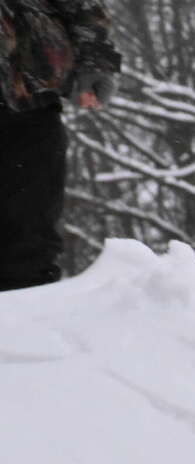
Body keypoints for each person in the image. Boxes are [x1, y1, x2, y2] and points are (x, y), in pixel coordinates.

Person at [0, 0, 121, 292]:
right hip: (28, 105)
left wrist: (95, 58)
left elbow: (85, 6)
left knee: (29, 246)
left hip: (28, 105)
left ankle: (28, 328)